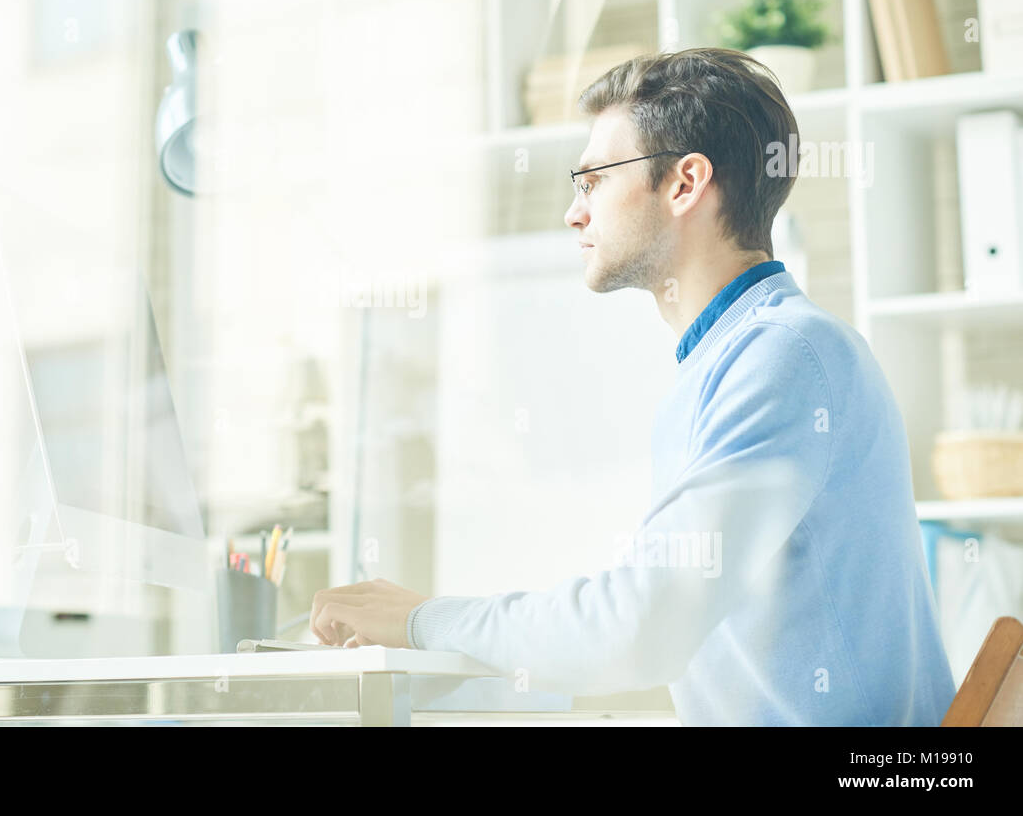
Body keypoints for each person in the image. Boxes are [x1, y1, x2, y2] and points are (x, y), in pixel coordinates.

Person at [309, 47, 957, 725]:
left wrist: (421, 618)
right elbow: (656, 650)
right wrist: (428, 663)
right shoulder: (728, 361)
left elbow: (637, 630)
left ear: (685, 184)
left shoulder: (785, 356)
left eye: (592, 180)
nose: (573, 212)